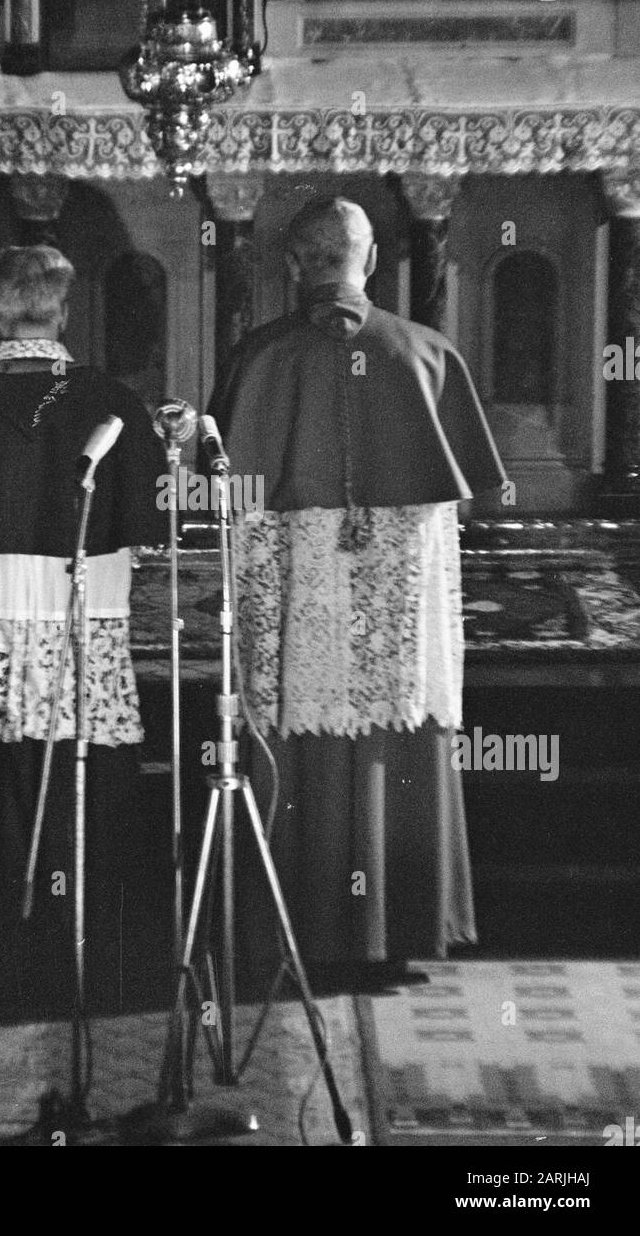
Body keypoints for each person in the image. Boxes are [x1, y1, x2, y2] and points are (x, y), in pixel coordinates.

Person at [208, 197, 507, 991]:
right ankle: (400, 926)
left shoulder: (257, 357)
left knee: (296, 722)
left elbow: (223, 492)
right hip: (396, 594)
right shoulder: (427, 352)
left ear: (293, 265)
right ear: (369, 261)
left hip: (296, 586)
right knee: (397, 720)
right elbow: (468, 497)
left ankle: (292, 924)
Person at [0, 245, 167, 1022]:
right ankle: (79, 951)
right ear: (65, 313)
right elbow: (145, 529)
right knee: (81, 776)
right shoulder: (111, 401)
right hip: (79, 634)